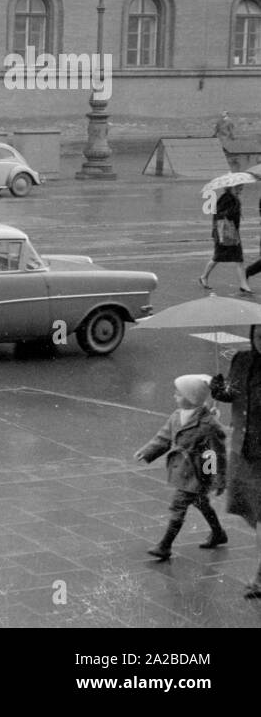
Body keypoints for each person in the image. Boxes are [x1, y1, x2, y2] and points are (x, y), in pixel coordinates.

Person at [135, 374, 229, 560]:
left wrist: (215, 479)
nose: (174, 396)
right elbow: (163, 438)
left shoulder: (208, 424)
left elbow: (215, 454)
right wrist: (148, 451)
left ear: (191, 398)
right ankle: (218, 533)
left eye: (178, 394)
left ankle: (165, 546)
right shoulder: (176, 416)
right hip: (183, 470)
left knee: (178, 506)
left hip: (197, 472)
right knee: (201, 503)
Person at [210, 326, 261, 598]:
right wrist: (219, 390)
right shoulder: (242, 359)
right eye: (258, 334)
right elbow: (233, 392)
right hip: (243, 450)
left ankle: (260, 579)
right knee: (251, 510)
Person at [199, 184, 251, 293]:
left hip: (231, 234)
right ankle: (204, 276)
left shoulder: (233, 198)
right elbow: (219, 214)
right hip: (224, 235)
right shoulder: (225, 199)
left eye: (241, 189)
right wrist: (233, 211)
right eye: (238, 188)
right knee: (217, 257)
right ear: (231, 188)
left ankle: (243, 284)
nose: (240, 191)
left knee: (239, 259)